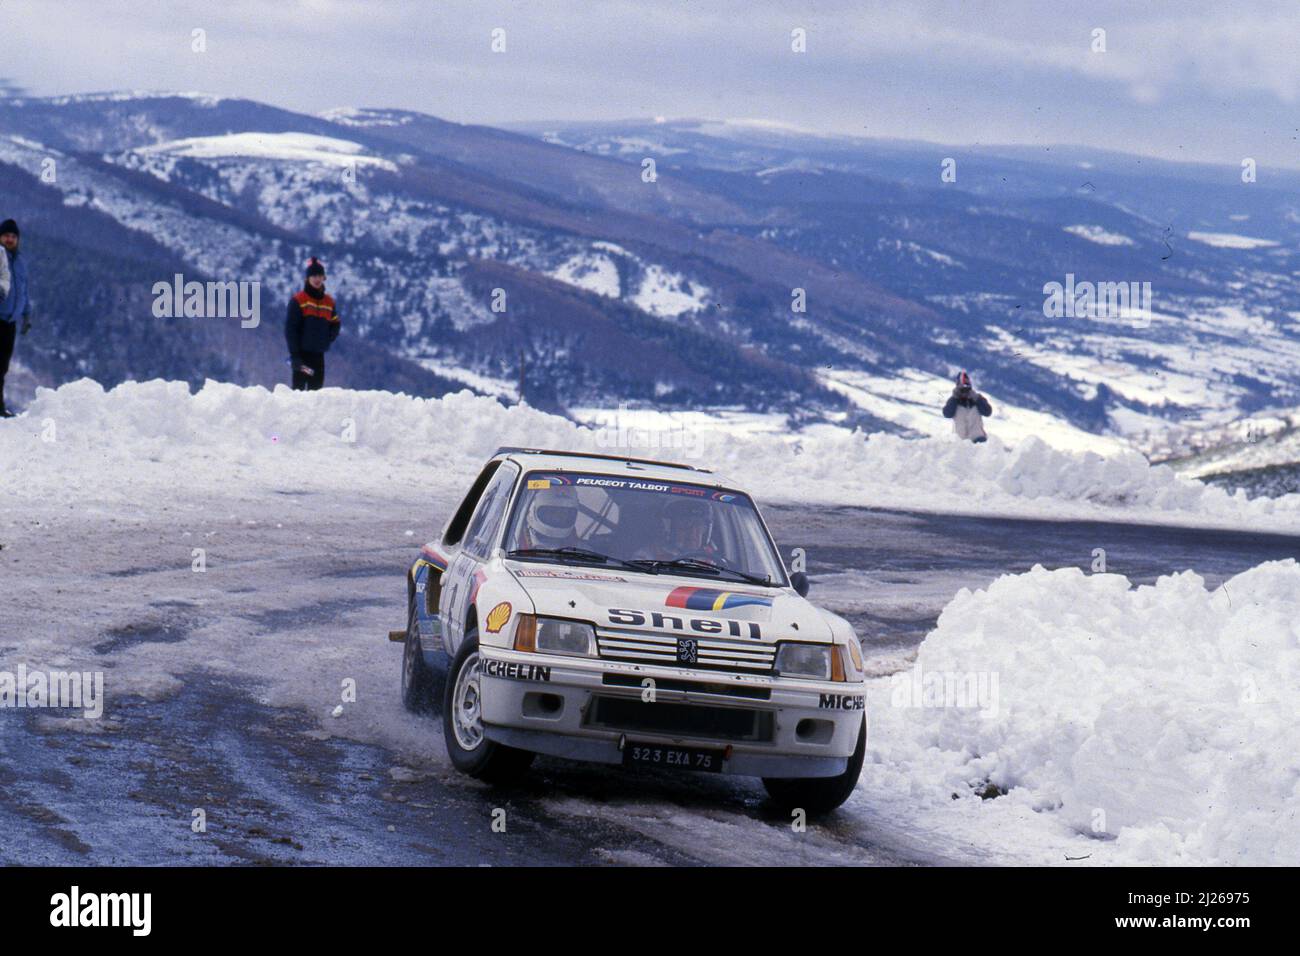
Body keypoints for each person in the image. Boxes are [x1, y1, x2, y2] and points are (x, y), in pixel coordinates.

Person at [284, 257, 339, 390]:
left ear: (324, 278)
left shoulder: (329, 302)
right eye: (313, 275)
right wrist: (295, 355)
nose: (317, 279)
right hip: (301, 356)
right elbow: (290, 330)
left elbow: (336, 323)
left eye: (320, 275)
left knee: (316, 396)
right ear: (307, 278)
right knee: (298, 393)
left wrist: (327, 338)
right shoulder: (298, 300)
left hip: (319, 355)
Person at [0, 219, 33, 419]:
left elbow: (24, 291)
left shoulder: (20, 262)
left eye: (13, 236)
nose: (10, 239)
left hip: (10, 322)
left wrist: (26, 314)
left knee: (2, 367)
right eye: (6, 235)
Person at [942, 370, 992, 443]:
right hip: (960, 441)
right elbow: (947, 414)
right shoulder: (954, 401)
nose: (964, 392)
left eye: (967, 388)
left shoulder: (977, 399)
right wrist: (955, 398)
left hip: (978, 439)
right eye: (962, 389)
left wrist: (977, 399)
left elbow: (988, 412)